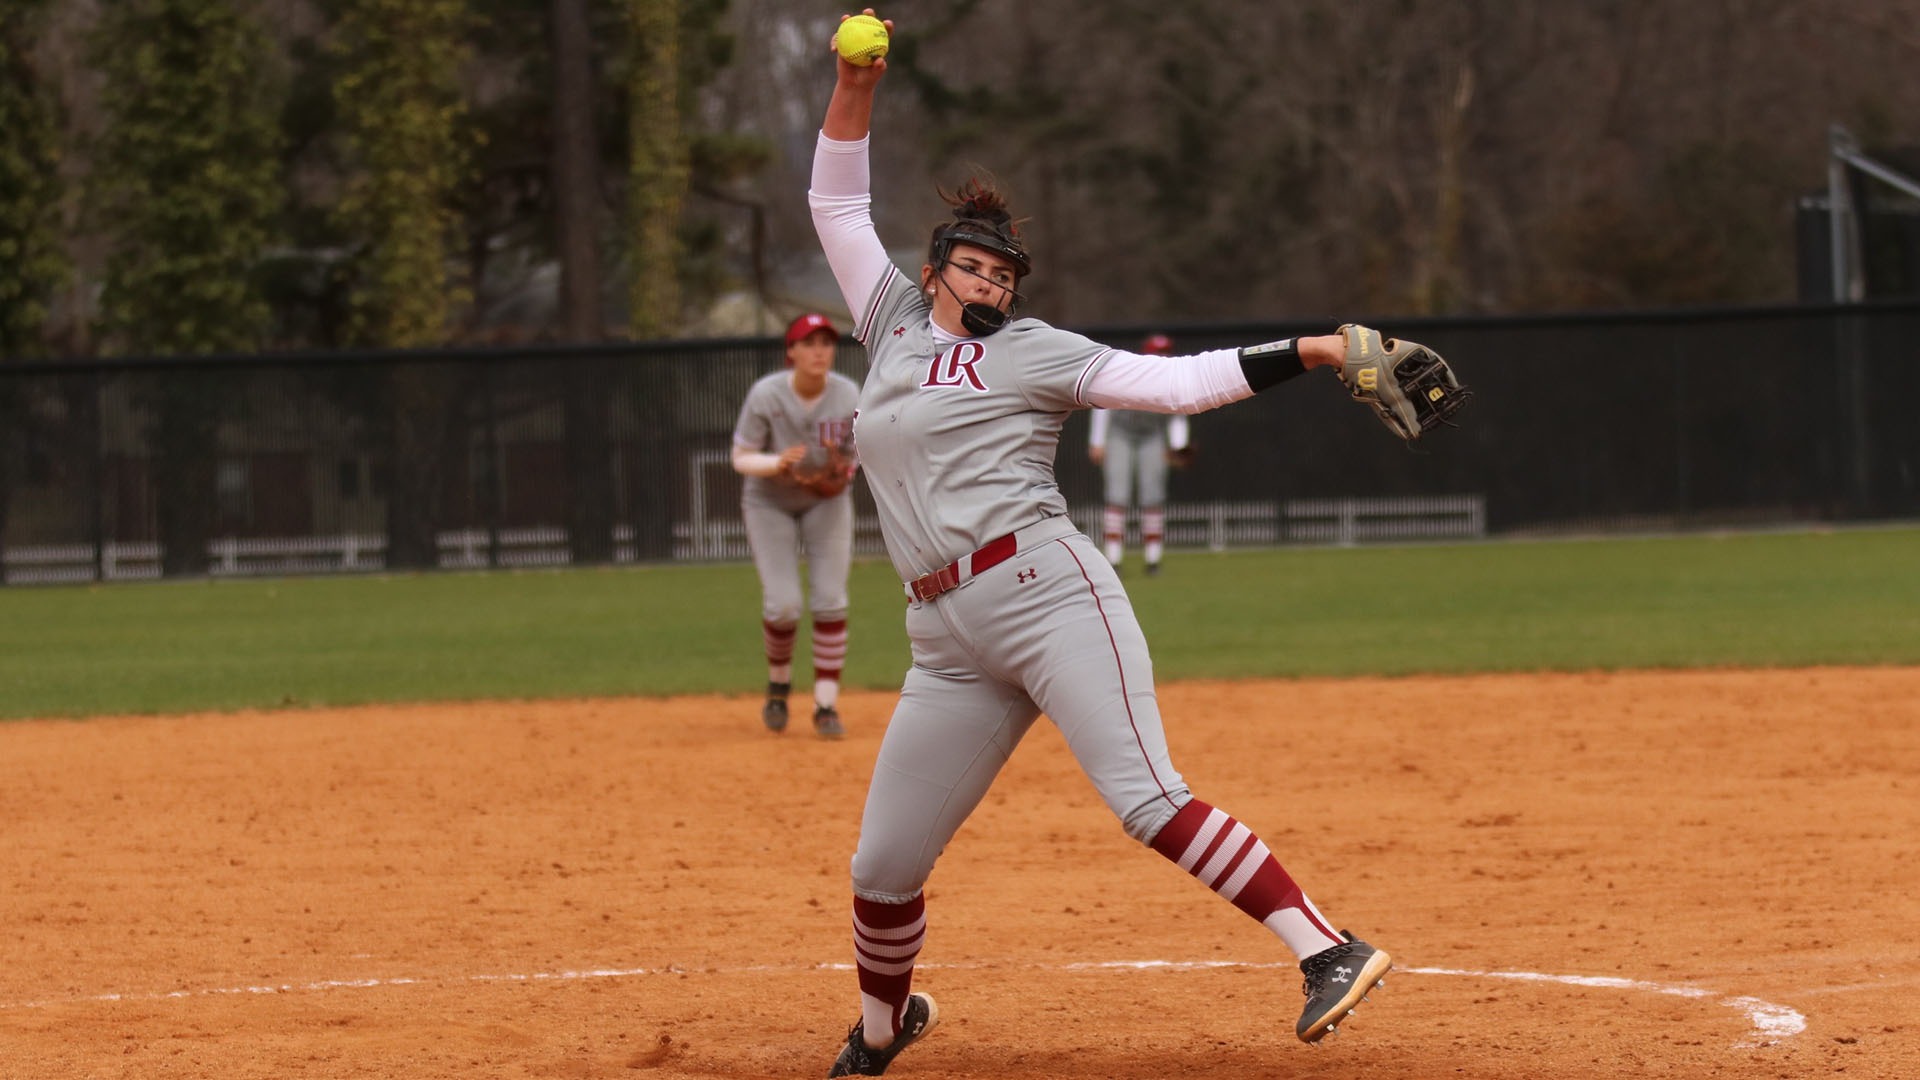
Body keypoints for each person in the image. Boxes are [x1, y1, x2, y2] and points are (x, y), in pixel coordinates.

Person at [809, 11, 1391, 1075]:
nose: (991, 285)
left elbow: (1175, 385)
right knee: (883, 861)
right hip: (943, 634)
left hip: (1045, 591)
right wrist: (857, 81)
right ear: (937, 269)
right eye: (976, 268)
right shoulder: (888, 321)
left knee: (1145, 798)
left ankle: (1327, 949)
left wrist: (1311, 349)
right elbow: (836, 200)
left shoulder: (1036, 352)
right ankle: (884, 1029)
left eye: (1005, 275)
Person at [729, 312, 862, 740]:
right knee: (783, 604)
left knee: (830, 600)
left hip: (827, 503)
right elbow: (741, 456)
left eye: (826, 343)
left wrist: (839, 471)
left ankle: (825, 705)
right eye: (809, 343)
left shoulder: (847, 394)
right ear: (791, 351)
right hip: (769, 501)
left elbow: (856, 457)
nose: (819, 351)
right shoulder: (767, 394)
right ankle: (779, 685)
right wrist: (775, 462)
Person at [1087, 332, 1191, 576]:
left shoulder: (1173, 378)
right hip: (1121, 432)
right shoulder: (1131, 370)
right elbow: (1103, 405)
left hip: (1152, 434)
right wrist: (1098, 441)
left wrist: (1178, 446)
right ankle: (1113, 559)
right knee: (1117, 495)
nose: (1162, 358)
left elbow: (1179, 412)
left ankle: (1153, 560)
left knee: (1153, 495)